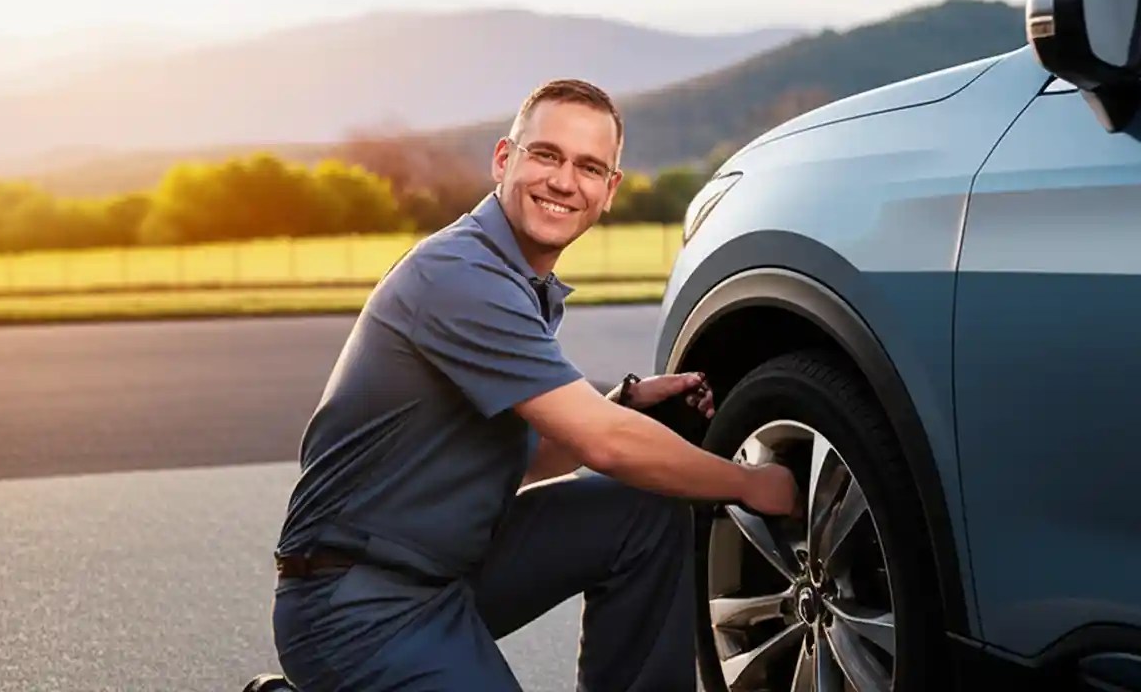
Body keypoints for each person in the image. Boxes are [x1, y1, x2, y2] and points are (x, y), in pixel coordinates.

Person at [268, 78, 800, 692]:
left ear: (609, 191)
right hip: (354, 604)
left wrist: (623, 404)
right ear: (505, 159)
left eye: (589, 167)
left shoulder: (523, 286)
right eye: (546, 155)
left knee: (642, 511)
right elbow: (606, 445)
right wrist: (753, 484)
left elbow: (526, 464)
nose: (564, 182)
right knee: (628, 470)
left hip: (451, 570)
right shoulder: (462, 276)